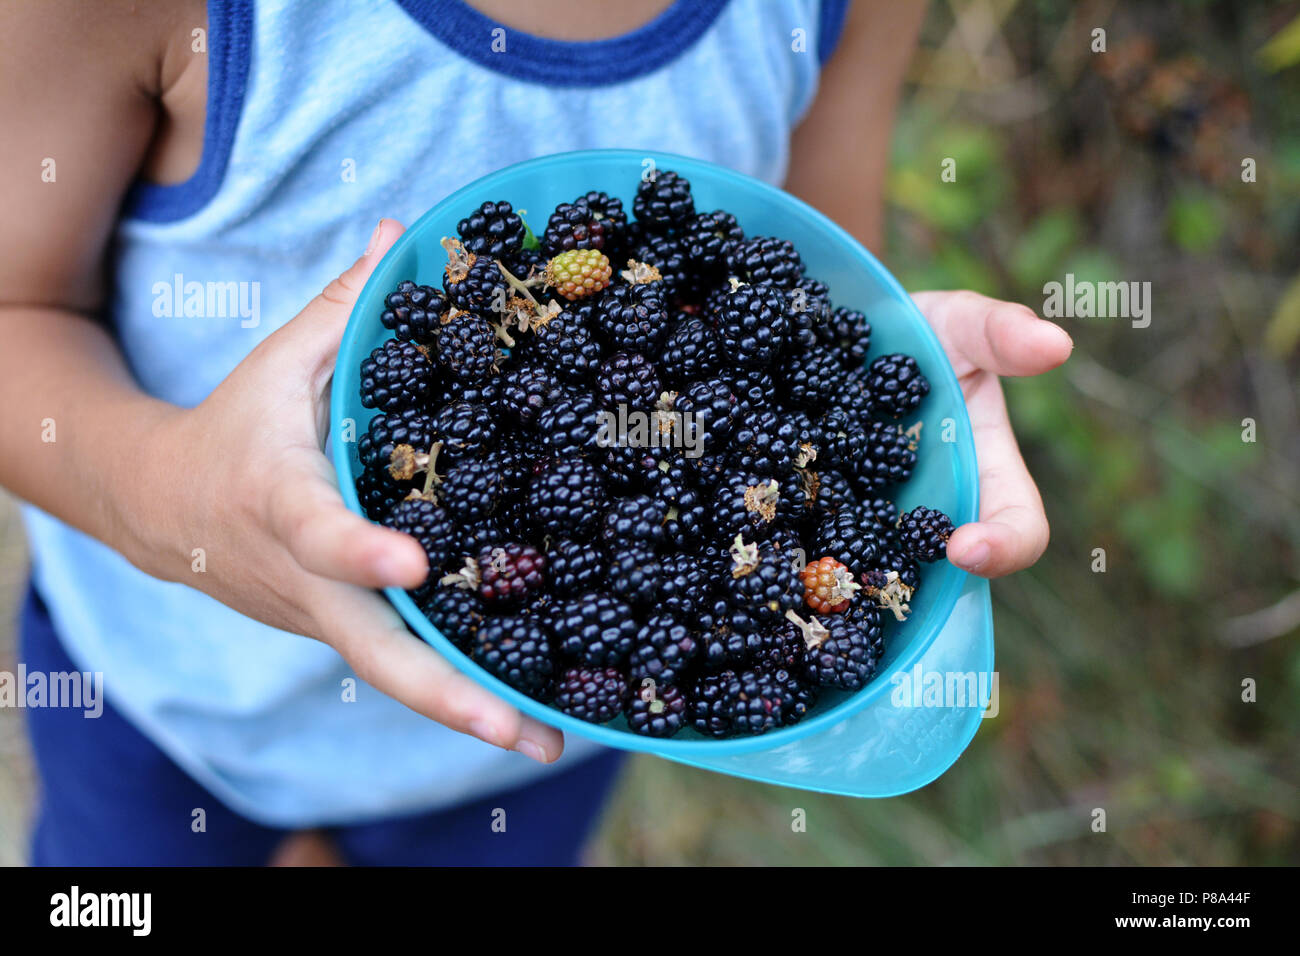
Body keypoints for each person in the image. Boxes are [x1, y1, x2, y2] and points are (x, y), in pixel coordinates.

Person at [0, 0, 1071, 865]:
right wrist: (171, 502)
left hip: (526, 745)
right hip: (171, 694)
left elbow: (812, 271)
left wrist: (888, 378)